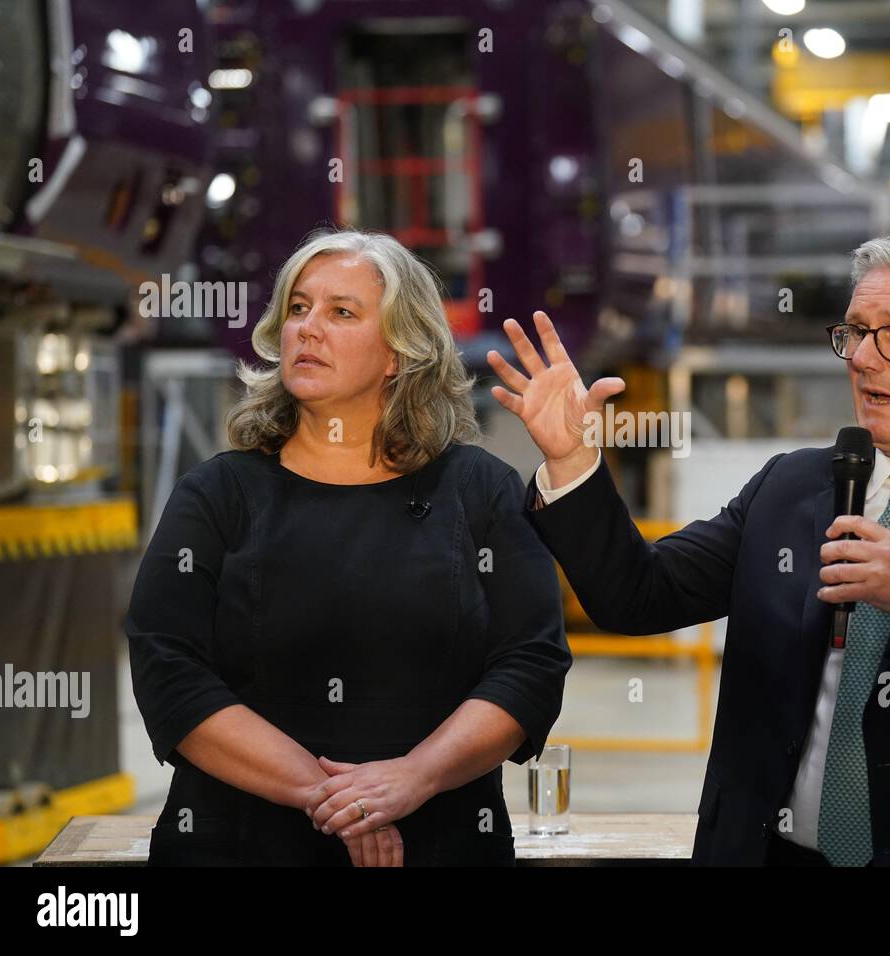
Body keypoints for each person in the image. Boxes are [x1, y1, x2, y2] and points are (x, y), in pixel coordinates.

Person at [488, 225, 890, 866]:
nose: (864, 358)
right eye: (855, 332)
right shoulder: (791, 487)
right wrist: (572, 460)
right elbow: (638, 595)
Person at [126, 229, 571, 866]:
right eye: (298, 309)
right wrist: (332, 797)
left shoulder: (479, 491)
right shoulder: (219, 492)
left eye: (341, 313)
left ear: (399, 353)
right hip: (239, 847)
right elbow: (166, 668)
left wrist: (414, 777)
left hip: (438, 843)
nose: (307, 329)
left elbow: (531, 666)